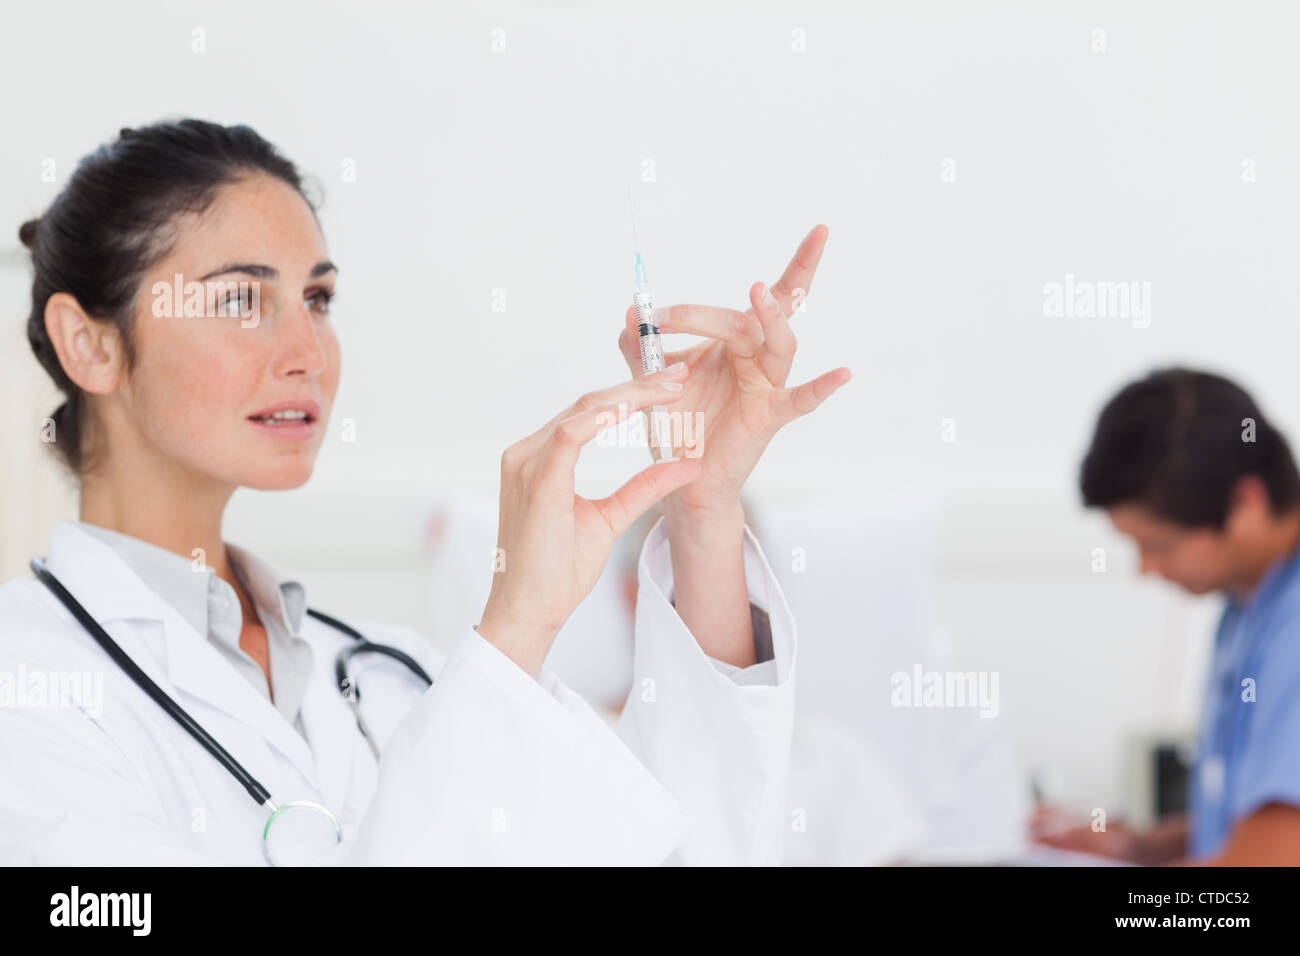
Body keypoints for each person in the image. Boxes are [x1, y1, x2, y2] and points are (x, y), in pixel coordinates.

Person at [0, 119, 851, 865]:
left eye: (318, 298)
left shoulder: (388, 671)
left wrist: (699, 503)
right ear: (91, 345)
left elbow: (687, 854)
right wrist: (516, 626)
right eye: (241, 298)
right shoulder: (26, 686)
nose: (309, 350)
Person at [1035, 367, 1300, 864]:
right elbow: (1260, 822)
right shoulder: (1248, 600)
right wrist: (1136, 846)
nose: (1146, 569)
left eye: (1160, 546)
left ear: (1245, 502)